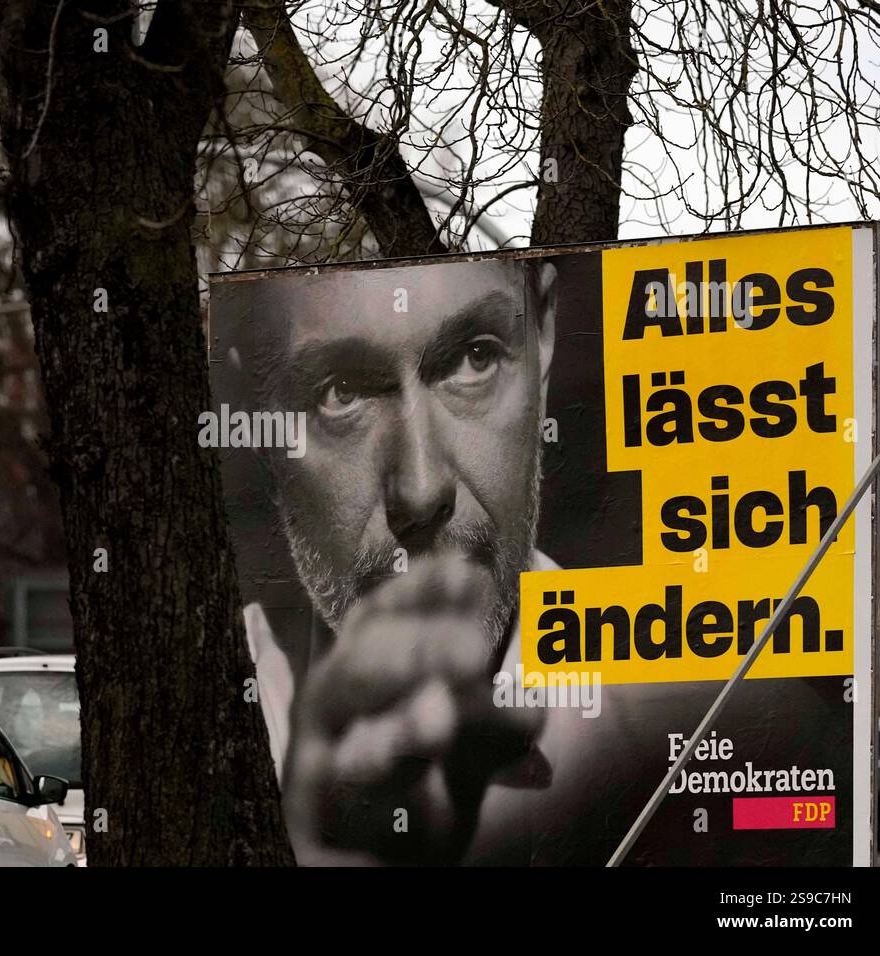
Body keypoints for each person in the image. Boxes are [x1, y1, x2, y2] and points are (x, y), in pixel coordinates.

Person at [228, 255, 601, 865]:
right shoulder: (198, 723)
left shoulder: (694, 714)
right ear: (256, 413)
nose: (422, 490)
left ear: (544, 333)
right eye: (341, 393)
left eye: (474, 359)